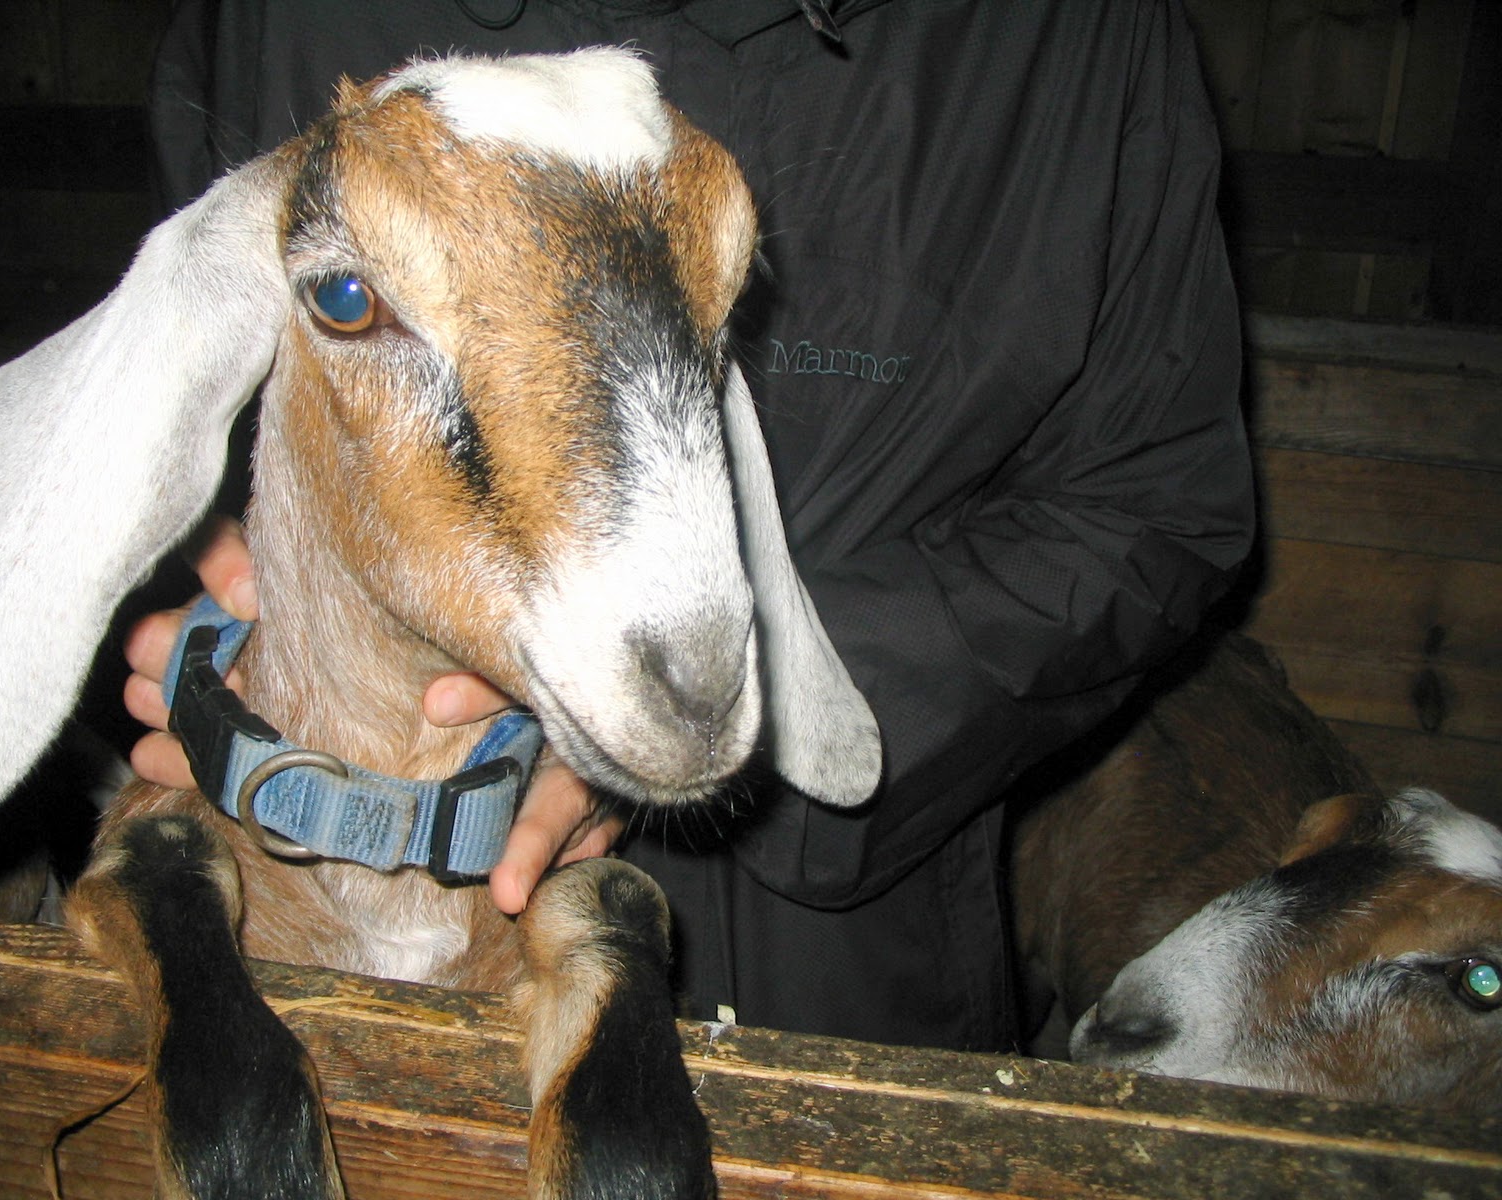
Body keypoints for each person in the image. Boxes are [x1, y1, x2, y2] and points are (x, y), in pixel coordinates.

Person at [125, 0, 1254, 1053]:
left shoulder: (1067, 36)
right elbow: (211, 374)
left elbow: (1154, 499)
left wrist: (770, 692)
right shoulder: (277, 15)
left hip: (832, 981)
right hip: (308, 929)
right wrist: (195, 562)